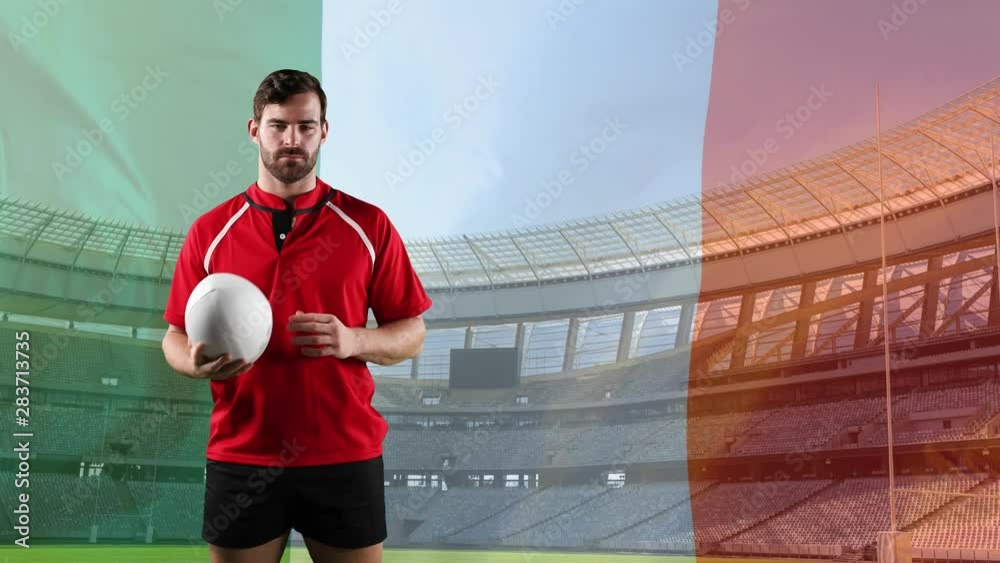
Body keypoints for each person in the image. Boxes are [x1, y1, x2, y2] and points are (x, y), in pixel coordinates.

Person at [161, 69, 430, 563]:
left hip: (344, 454)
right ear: (254, 129)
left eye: (306, 126)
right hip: (242, 454)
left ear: (324, 131)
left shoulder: (368, 224)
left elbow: (412, 333)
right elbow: (174, 335)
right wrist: (193, 364)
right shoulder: (210, 231)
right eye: (278, 125)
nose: (292, 139)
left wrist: (354, 341)